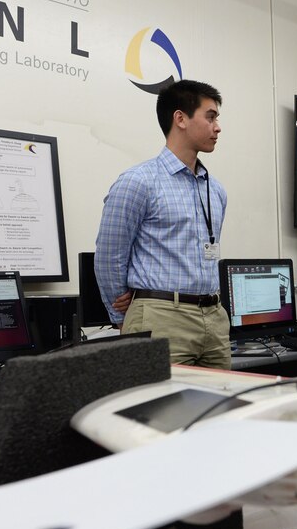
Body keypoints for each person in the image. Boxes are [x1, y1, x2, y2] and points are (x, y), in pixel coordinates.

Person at [95, 80, 231, 368]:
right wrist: (124, 318)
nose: (217, 127)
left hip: (214, 318)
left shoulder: (215, 190)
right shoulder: (139, 181)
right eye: (210, 116)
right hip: (160, 318)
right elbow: (109, 256)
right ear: (180, 118)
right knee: (158, 411)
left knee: (217, 408)